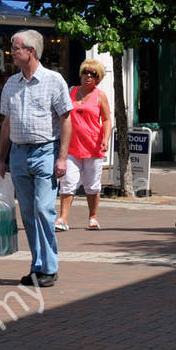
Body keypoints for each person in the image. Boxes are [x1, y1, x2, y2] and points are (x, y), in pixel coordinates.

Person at [0, 30, 72, 287]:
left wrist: (62, 157)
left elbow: (66, 119)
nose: (12, 52)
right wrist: (0, 159)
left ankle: (50, 267)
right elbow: (6, 124)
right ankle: (37, 266)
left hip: (45, 151)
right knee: (28, 212)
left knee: (43, 209)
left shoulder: (54, 80)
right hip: (18, 153)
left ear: (31, 51)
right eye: (12, 47)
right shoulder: (11, 84)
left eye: (16, 48)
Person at [57, 58, 112, 231]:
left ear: (99, 78)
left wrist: (106, 138)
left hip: (93, 147)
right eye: (85, 72)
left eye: (93, 74)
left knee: (92, 185)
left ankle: (93, 217)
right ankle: (63, 218)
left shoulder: (100, 95)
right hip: (71, 146)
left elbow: (107, 119)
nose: (89, 76)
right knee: (68, 182)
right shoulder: (71, 91)